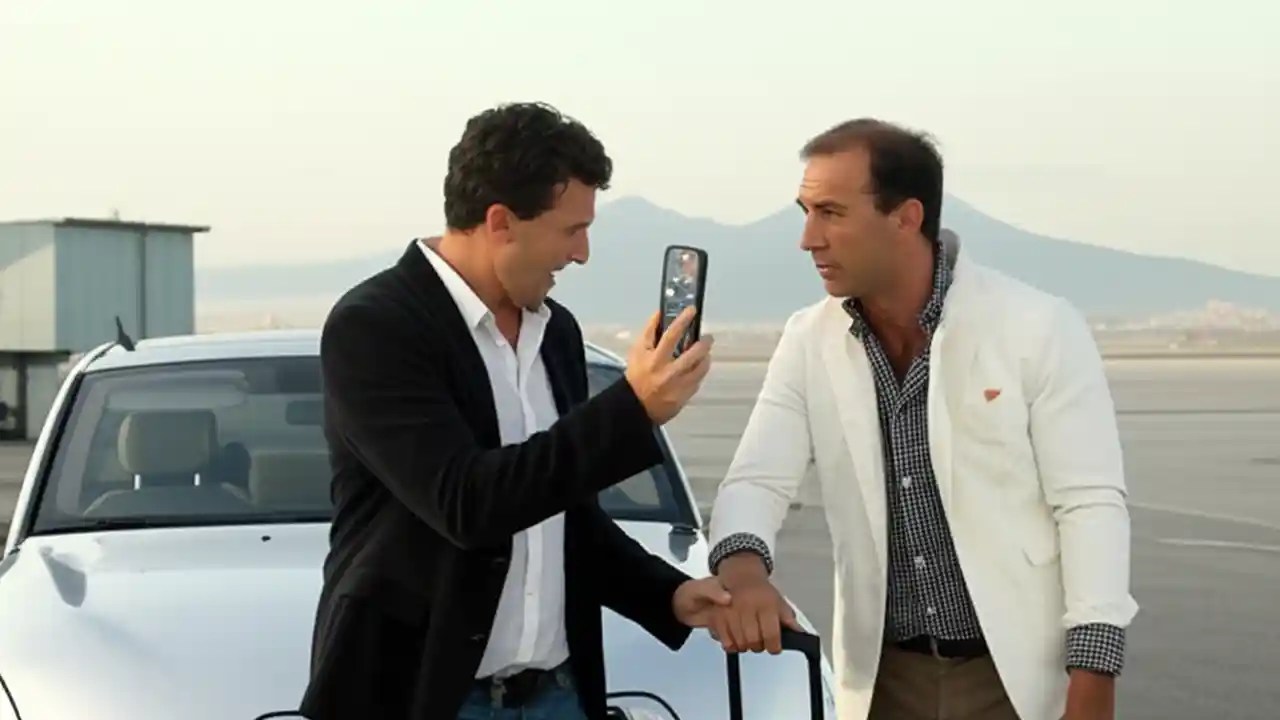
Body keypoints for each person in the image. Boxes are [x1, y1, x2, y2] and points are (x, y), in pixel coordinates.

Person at [299, 102, 729, 720]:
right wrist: (632, 408)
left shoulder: (555, 332)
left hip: (558, 694)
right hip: (424, 698)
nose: (582, 253)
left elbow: (561, 516)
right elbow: (469, 504)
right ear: (500, 221)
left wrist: (671, 594)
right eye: (570, 230)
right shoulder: (376, 327)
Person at [703, 118, 1138, 720]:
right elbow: (756, 480)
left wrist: (1094, 678)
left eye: (831, 212)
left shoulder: (1037, 325)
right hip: (883, 678)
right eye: (806, 211)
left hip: (1016, 679)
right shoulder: (809, 339)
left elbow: (1089, 503)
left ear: (906, 217)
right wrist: (744, 571)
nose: (808, 238)